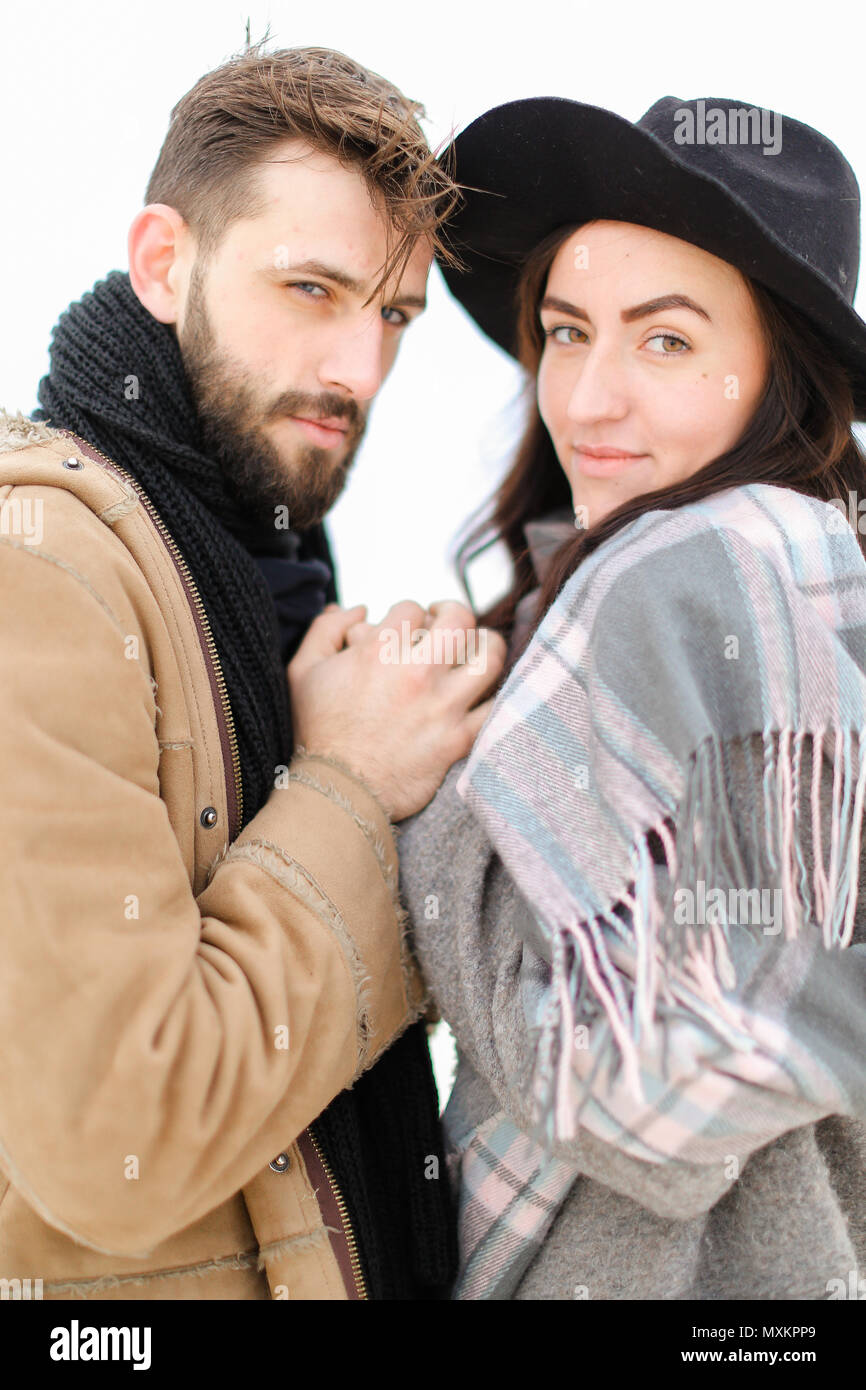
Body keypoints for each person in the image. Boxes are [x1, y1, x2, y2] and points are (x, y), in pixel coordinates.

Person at [0, 42, 506, 1301]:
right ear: (164, 263)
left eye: (390, 316)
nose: (358, 370)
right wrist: (348, 781)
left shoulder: (260, 566)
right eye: (311, 290)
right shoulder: (42, 575)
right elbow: (123, 1135)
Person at [395, 94, 866, 1299]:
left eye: (664, 342)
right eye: (565, 331)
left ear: (778, 369)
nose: (587, 400)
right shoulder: (803, 578)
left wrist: (409, 802)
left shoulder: (695, 573)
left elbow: (628, 1098)